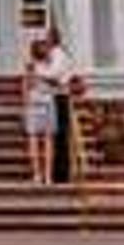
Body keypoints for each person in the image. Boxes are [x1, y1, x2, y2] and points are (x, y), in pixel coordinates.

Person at [20, 28, 81, 186]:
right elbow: (54, 81)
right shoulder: (48, 61)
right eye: (44, 43)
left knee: (44, 139)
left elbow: (29, 85)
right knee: (48, 139)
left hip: (45, 101)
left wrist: (26, 103)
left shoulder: (52, 58)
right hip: (47, 101)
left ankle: (43, 175)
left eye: (47, 39)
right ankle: (46, 176)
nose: (46, 44)